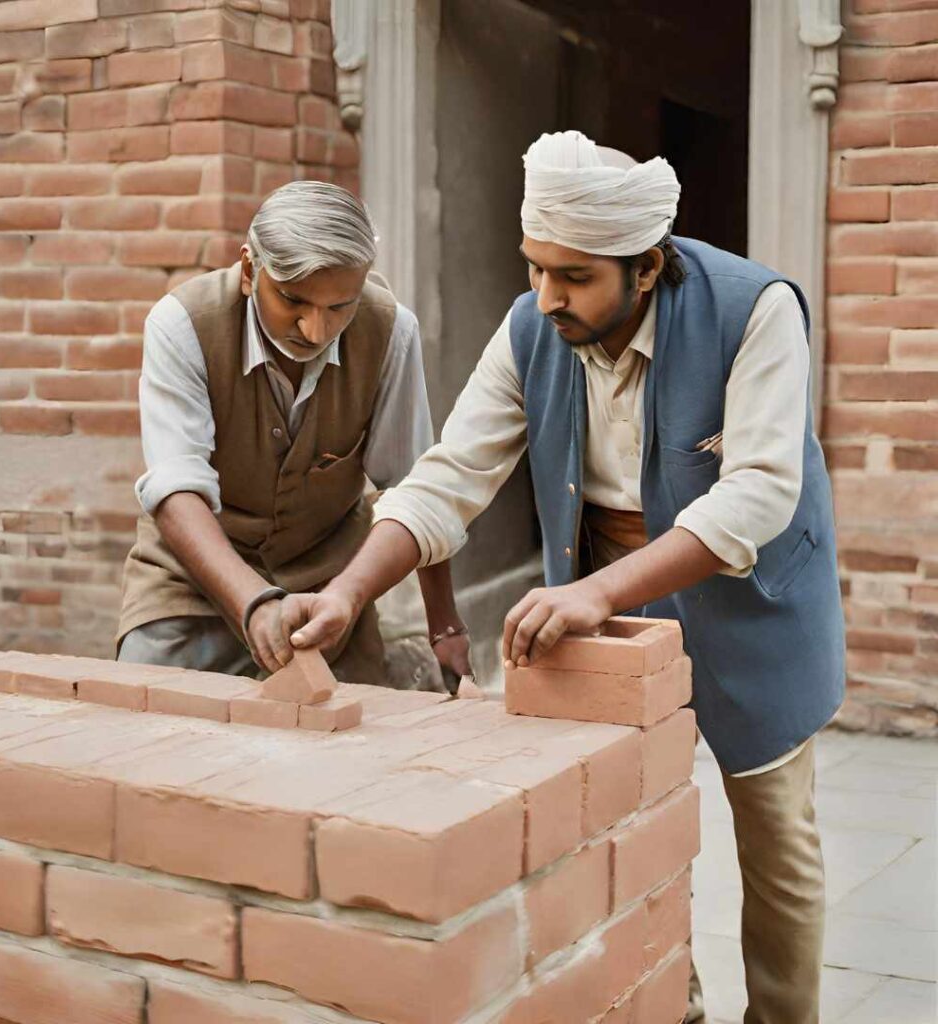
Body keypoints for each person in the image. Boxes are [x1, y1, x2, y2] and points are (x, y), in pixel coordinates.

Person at [256, 133, 845, 1024]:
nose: (545, 295)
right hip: (605, 594)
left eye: (573, 276)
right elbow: (453, 474)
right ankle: (667, 1004)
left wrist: (597, 593)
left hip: (749, 600)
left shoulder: (754, 310)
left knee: (778, 851)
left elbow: (756, 498)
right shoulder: (533, 325)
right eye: (534, 268)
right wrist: (347, 592)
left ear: (645, 267)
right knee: (628, 824)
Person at [116, 180, 471, 686]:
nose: (315, 330)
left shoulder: (392, 331)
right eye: (293, 300)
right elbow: (176, 490)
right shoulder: (182, 325)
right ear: (247, 270)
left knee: (347, 746)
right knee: (146, 725)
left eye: (340, 307)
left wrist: (444, 623)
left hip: (329, 598)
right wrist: (254, 604)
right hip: (190, 588)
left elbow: (415, 491)